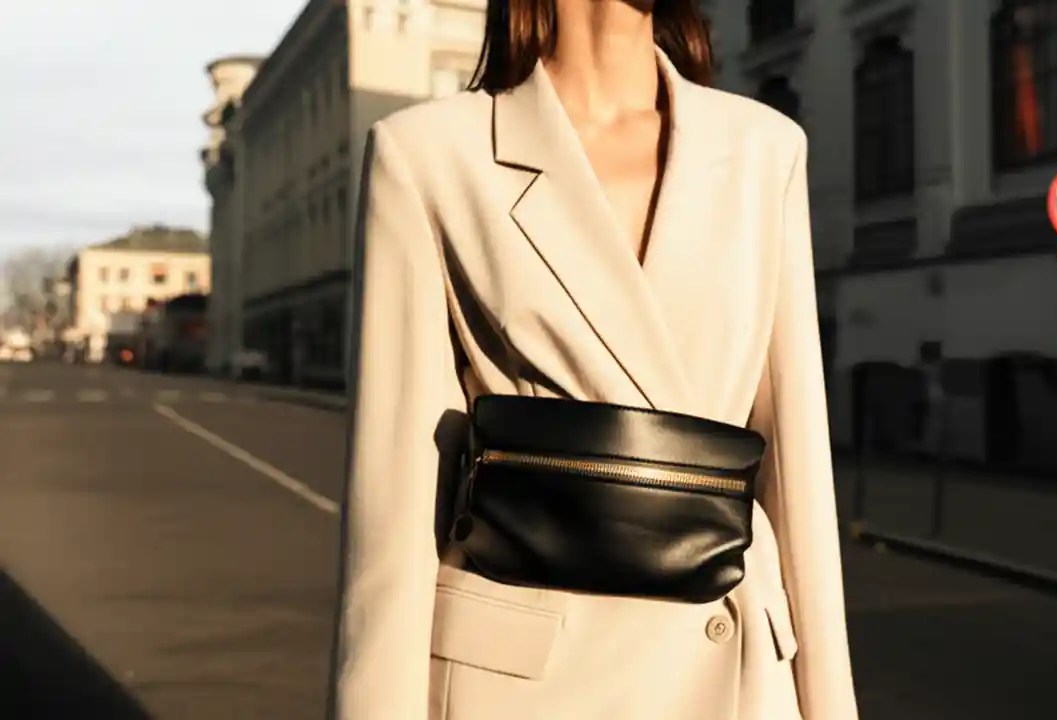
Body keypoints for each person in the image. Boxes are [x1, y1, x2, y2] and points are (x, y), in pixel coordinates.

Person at [327, 0, 858, 718]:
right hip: (519, 683)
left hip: (731, 673)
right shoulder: (427, 153)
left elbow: (797, 471)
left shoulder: (764, 149)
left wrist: (827, 705)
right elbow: (396, 501)